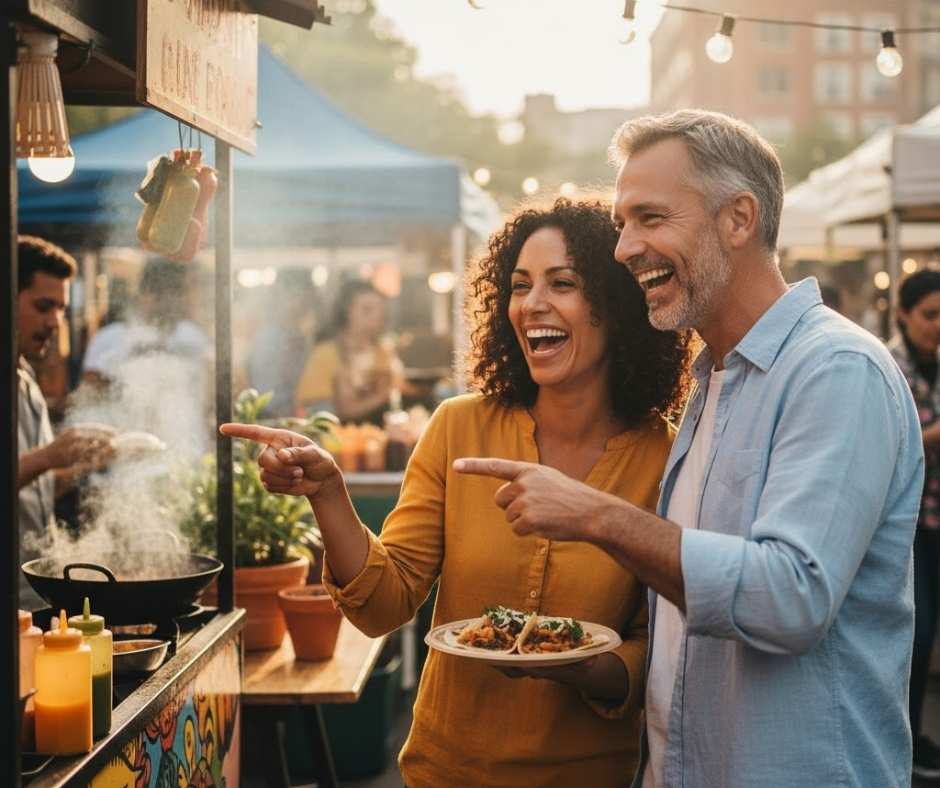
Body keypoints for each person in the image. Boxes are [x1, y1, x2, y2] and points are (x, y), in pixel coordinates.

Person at [455, 111, 924, 787]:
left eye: (650, 217)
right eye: (622, 223)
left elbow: (790, 597)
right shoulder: (712, 382)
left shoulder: (836, 369)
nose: (623, 248)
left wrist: (597, 515)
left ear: (738, 219)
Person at [222, 199, 691, 786]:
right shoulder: (458, 427)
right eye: (519, 286)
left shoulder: (666, 456)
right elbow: (383, 604)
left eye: (563, 283)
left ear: (616, 305)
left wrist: (581, 666)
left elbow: (665, 642)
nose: (532, 304)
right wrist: (329, 493)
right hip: (447, 770)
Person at [16, 236, 115, 608]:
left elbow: (28, 494)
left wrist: (81, 466)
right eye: (43, 306)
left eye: (60, 309)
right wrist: (49, 456)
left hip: (34, 598)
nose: (54, 322)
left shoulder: (25, 378)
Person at [889, 268, 940, 780]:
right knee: (917, 630)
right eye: (929, 315)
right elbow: (899, 441)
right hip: (911, 526)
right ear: (903, 314)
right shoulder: (888, 364)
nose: (937, 325)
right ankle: (904, 732)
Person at [293, 280, 403, 424]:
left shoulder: (384, 352)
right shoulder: (325, 354)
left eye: (380, 310)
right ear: (347, 311)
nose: (377, 316)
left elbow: (398, 393)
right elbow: (316, 412)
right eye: (367, 309)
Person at [246, 269, 317, 417]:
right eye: (302, 295)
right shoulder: (269, 338)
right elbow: (268, 394)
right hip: (273, 418)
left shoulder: (297, 334)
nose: (307, 302)